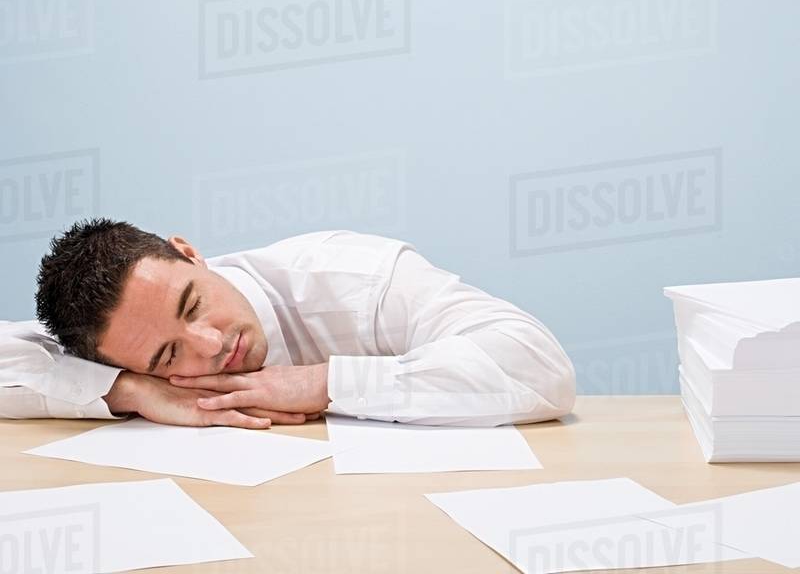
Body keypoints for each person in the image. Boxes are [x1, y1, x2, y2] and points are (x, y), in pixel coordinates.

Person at [0, 219, 575, 429]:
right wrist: (132, 393)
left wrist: (325, 382)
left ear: (190, 253)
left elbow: (539, 366)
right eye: (168, 358)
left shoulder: (351, 275)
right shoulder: (122, 352)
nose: (210, 344)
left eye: (193, 305)